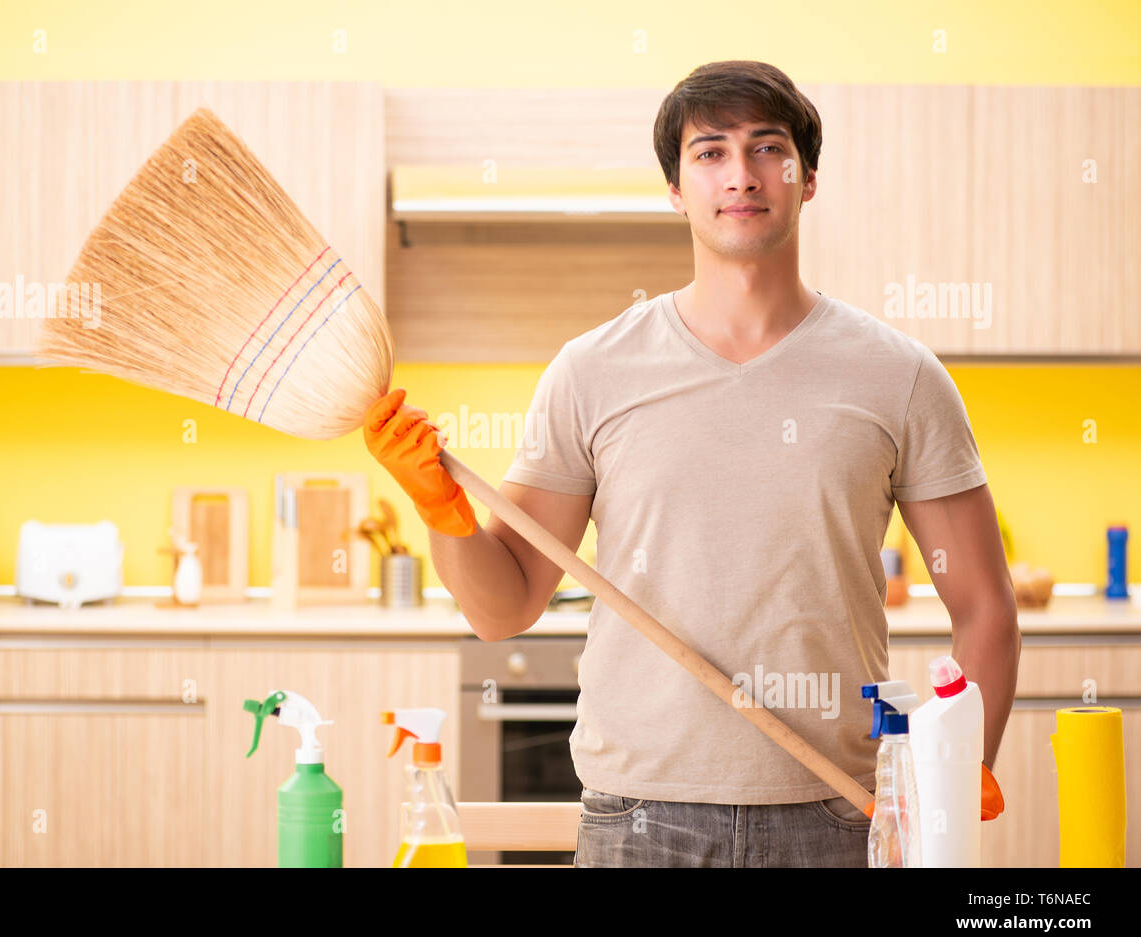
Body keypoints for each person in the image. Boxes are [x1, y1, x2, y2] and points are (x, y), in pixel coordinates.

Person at [364, 60, 1017, 867]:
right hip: (639, 822)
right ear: (675, 187)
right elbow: (504, 609)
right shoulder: (591, 371)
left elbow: (986, 605)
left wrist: (963, 766)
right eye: (709, 152)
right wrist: (441, 511)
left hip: (837, 817)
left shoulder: (901, 376)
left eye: (767, 148)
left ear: (807, 178)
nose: (740, 175)